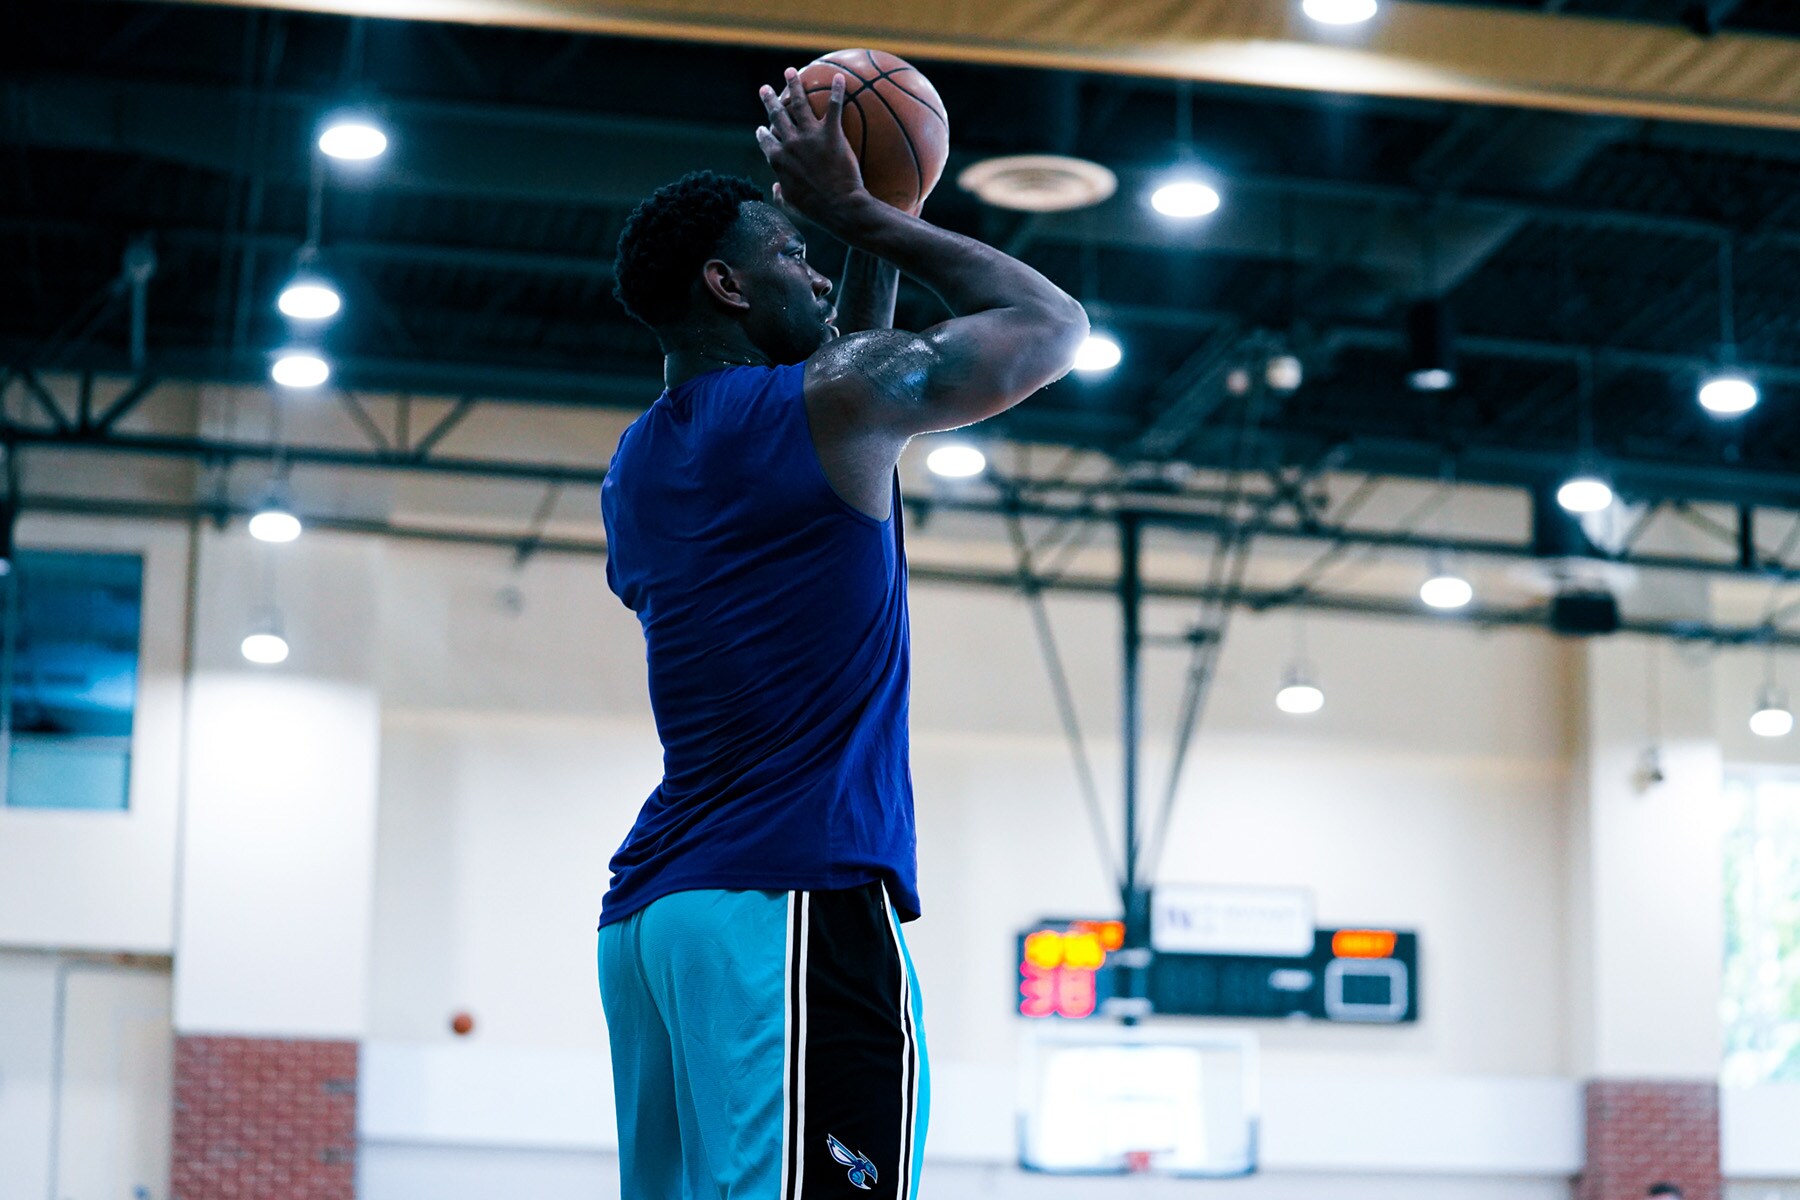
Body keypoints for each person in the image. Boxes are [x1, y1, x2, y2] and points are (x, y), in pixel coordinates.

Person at [595, 66, 1087, 1200]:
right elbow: (1052, 328)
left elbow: (830, 397)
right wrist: (870, 215)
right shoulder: (828, 405)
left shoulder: (638, 467)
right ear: (724, 283)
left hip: (657, 921)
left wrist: (872, 228)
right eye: (790, 250)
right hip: (790, 894)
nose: (813, 265)